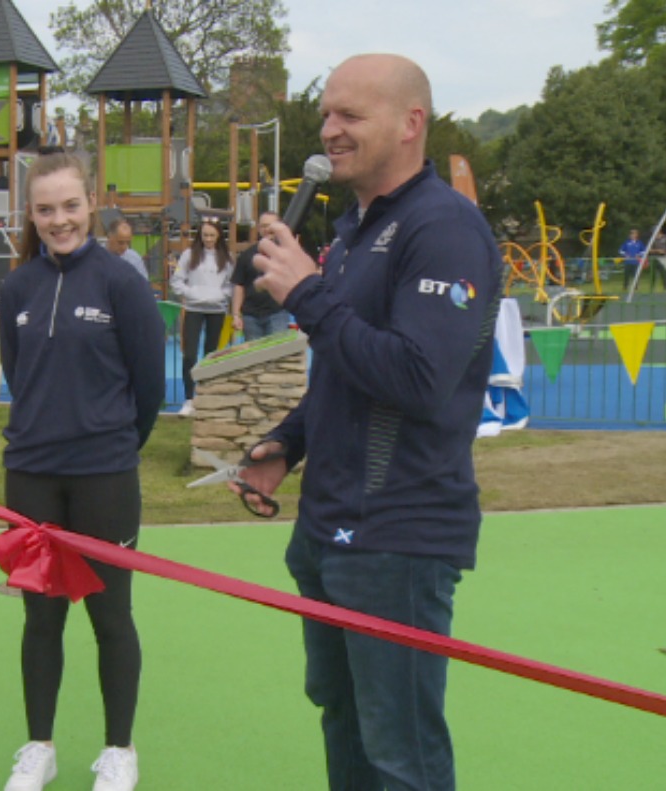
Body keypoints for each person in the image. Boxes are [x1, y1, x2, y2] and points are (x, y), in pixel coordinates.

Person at [238, 54, 501, 791]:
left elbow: (418, 377)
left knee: (400, 752)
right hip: (328, 528)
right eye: (327, 113)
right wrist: (287, 444)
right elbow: (347, 369)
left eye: (350, 115)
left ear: (411, 123)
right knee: (345, 723)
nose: (330, 130)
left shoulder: (445, 227)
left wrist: (308, 294)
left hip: (399, 536)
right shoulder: (355, 226)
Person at [0, 149, 166, 791]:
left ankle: (119, 751)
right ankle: (39, 747)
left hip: (104, 478)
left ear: (91, 203)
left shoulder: (122, 282)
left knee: (109, 616)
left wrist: (110, 446)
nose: (59, 220)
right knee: (41, 618)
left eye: (70, 205)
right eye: (45, 209)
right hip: (32, 475)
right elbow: (20, 375)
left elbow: (149, 389)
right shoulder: (17, 288)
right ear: (31, 213)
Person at [168, 219, 233, 417]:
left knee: (211, 354)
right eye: (205, 235)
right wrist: (192, 293)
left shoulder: (226, 258)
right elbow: (176, 281)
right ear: (200, 235)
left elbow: (231, 285)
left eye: (212, 235)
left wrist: (219, 296)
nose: (208, 239)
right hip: (193, 308)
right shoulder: (189, 255)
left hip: (217, 310)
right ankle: (189, 399)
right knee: (189, 354)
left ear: (219, 236)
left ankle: (206, 396)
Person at [230, 212, 289, 341]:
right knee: (255, 353)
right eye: (263, 226)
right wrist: (236, 314)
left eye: (270, 225)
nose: (267, 229)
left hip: (277, 313)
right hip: (251, 316)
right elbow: (239, 285)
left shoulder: (286, 254)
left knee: (278, 351)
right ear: (258, 229)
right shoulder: (246, 255)